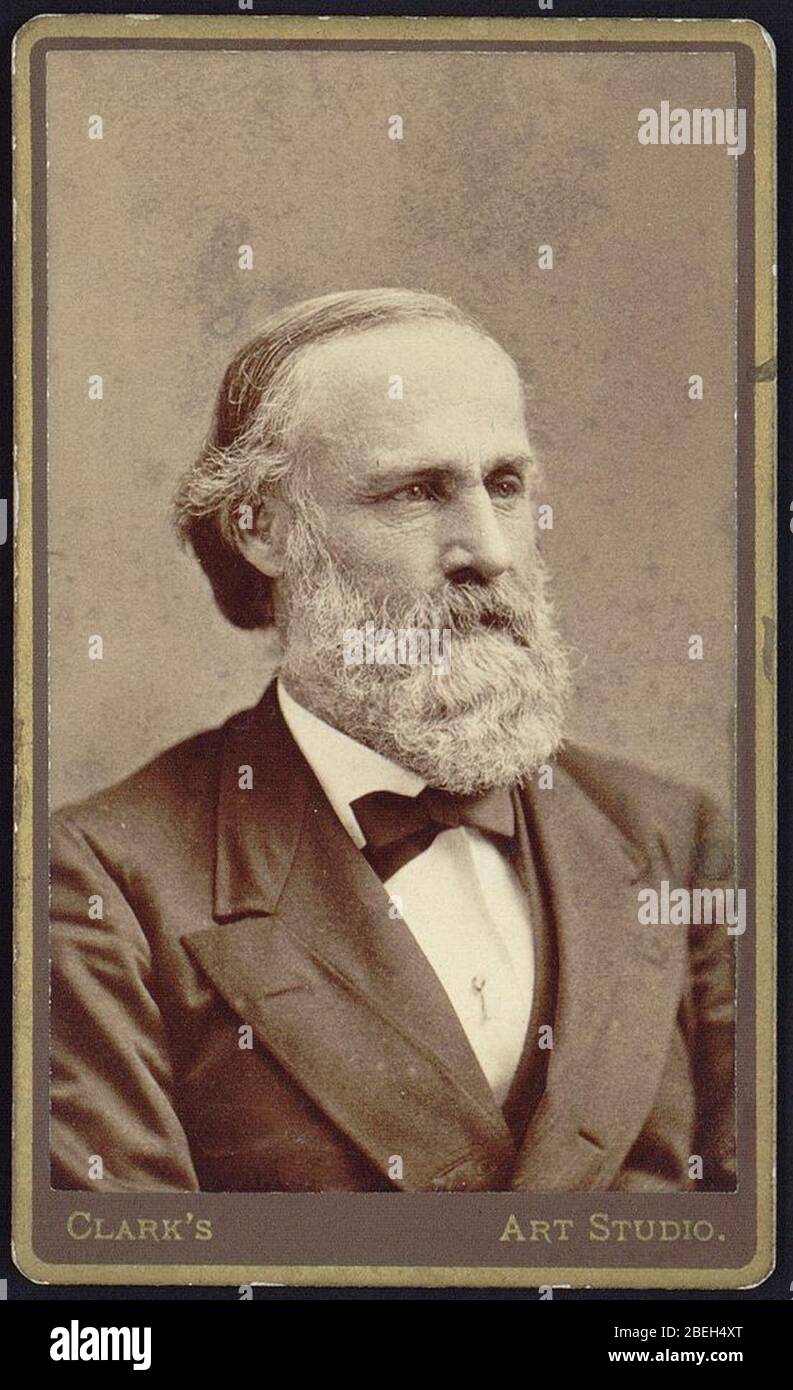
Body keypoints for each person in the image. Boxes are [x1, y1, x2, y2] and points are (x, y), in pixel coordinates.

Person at [50, 288, 736, 1193]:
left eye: (504, 485)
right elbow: (131, 1285)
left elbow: (758, 1252)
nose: (487, 550)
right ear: (265, 530)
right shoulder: (106, 878)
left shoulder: (673, 841)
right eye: (416, 492)